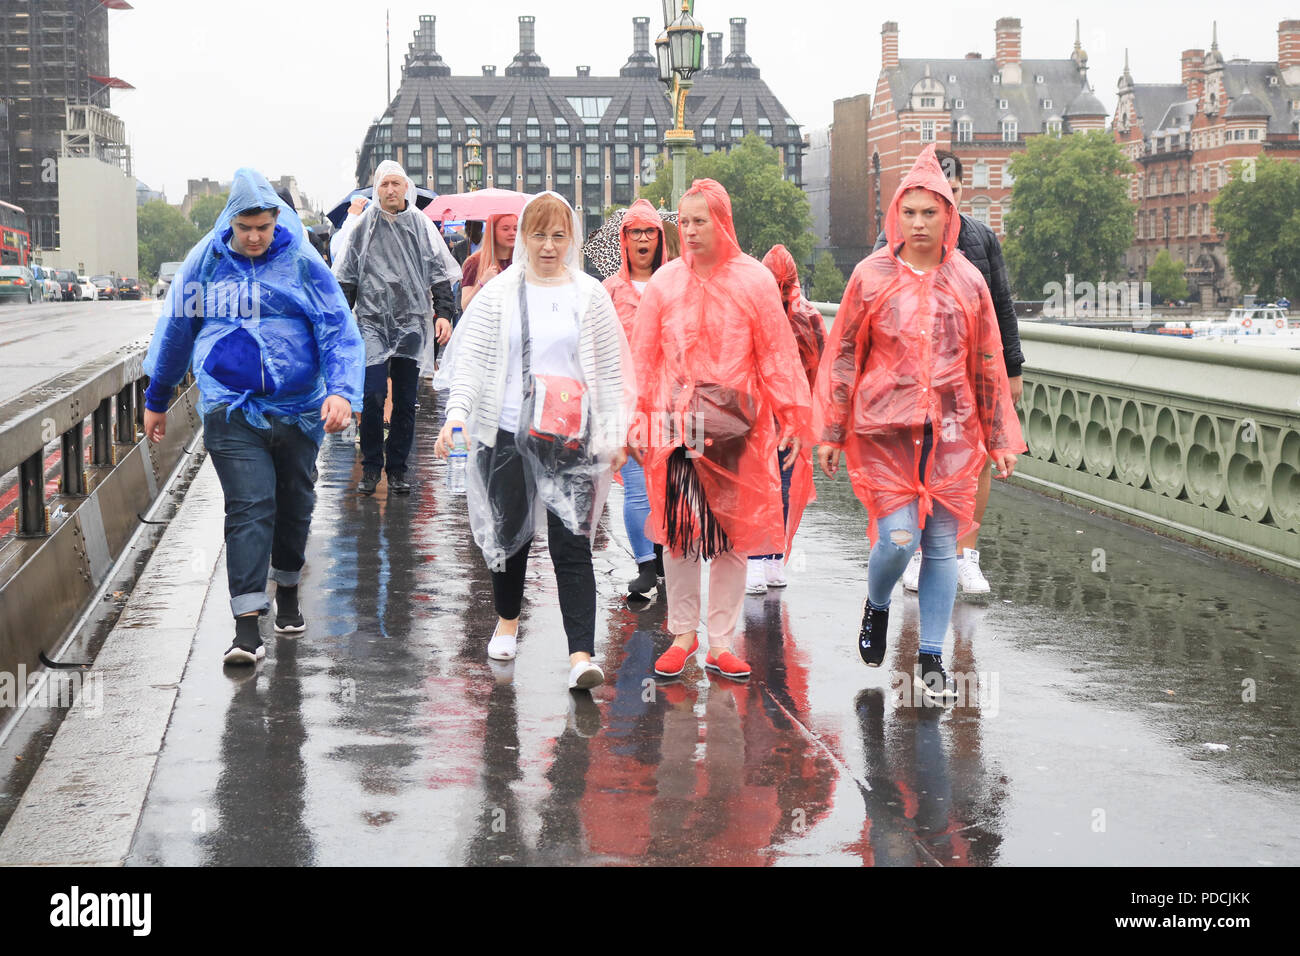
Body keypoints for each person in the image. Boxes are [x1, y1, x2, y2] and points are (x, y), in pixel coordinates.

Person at [815, 144, 1024, 702]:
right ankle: (877, 600)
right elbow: (843, 356)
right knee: (898, 539)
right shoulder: (870, 276)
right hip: (885, 432)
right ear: (896, 216)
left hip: (951, 433)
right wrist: (832, 429)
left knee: (941, 546)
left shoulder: (967, 281)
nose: (919, 222)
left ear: (949, 215)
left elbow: (986, 360)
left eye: (930, 212)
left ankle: (931, 655)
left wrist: (1000, 437)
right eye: (909, 212)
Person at [141, 168, 365, 666]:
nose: (255, 237)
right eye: (246, 228)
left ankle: (286, 590)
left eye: (263, 227)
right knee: (250, 507)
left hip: (298, 411)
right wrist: (158, 396)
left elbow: (336, 329)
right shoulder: (207, 262)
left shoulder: (303, 264)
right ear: (231, 223)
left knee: (294, 503)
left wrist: (343, 393)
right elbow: (177, 329)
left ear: (274, 221)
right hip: (230, 408)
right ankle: (246, 628)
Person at [433, 192, 633, 691]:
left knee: (573, 544)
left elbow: (609, 370)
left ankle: (580, 655)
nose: (548, 246)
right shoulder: (498, 295)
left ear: (572, 239)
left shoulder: (590, 296)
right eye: (538, 234)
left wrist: (613, 431)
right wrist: (456, 417)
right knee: (508, 536)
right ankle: (506, 620)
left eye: (558, 235)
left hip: (570, 436)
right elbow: (472, 363)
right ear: (523, 237)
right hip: (504, 431)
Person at [631, 179, 812, 682]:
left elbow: (777, 356)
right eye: (683, 222)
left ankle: (721, 641)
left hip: (736, 425)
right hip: (678, 422)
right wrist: (636, 420)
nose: (687, 231)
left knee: (733, 536)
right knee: (681, 534)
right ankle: (683, 635)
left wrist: (794, 415)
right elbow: (643, 359)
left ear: (721, 221)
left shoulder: (753, 281)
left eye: (698, 221)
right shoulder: (665, 283)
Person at [872, 148, 1024, 596]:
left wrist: (1011, 368)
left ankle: (966, 556)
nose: (945, 206)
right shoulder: (892, 242)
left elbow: (1002, 306)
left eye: (952, 195)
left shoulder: (981, 238)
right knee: (920, 460)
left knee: (974, 461)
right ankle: (918, 552)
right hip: (910, 376)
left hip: (966, 373)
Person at [333, 160, 461, 496]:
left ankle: (399, 468)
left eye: (396, 183)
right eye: (384, 184)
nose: (390, 190)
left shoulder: (419, 225)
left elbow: (438, 272)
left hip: (411, 324)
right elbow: (347, 276)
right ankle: (372, 466)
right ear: (377, 189)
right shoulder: (365, 226)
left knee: (405, 401)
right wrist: (341, 324)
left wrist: (443, 313)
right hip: (372, 323)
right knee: (373, 397)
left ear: (406, 187)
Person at [746, 243, 827, 594]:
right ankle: (764, 560)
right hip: (773, 414)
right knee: (769, 484)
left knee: (770, 485)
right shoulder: (804, 315)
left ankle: (764, 558)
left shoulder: (794, 316)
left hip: (774, 416)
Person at [603, 199, 671, 597]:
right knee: (636, 485)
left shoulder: (679, 283)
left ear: (659, 238)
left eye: (649, 232)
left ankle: (664, 558)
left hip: (671, 406)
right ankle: (646, 564)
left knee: (669, 485)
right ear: (624, 240)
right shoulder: (609, 291)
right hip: (627, 405)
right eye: (634, 232)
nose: (642, 239)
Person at [460, 213, 518, 309]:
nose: (512, 233)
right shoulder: (474, 262)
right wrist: (482, 282)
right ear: (492, 231)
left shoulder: (522, 261)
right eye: (505, 229)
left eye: (515, 229)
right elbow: (465, 306)